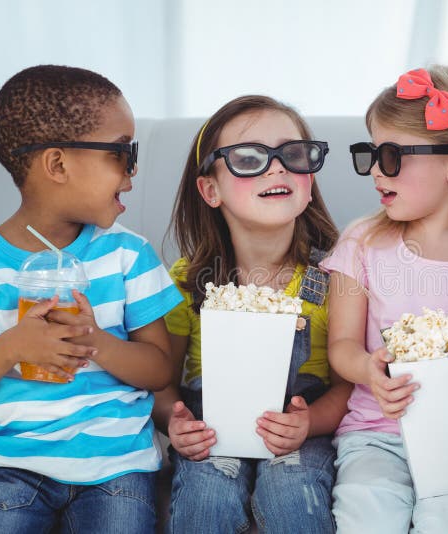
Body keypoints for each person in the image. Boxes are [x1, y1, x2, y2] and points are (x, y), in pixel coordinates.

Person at [0, 65, 182, 533]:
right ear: (57, 165)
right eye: (122, 154)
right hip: (8, 467)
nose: (131, 175)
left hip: (116, 466)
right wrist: (12, 346)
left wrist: (96, 339)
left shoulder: (127, 255)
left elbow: (159, 370)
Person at [321, 65, 448, 533]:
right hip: (375, 434)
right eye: (371, 153)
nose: (375, 170)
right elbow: (342, 346)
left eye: (391, 155)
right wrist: (368, 368)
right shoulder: (362, 243)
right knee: (366, 517)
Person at [154, 95, 352, 533]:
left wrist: (309, 423)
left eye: (294, 154)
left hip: (302, 429)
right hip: (212, 430)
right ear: (210, 189)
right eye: (248, 158)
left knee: (291, 489)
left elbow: (348, 388)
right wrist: (174, 421)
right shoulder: (189, 279)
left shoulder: (338, 276)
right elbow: (160, 381)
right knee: (207, 492)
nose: (277, 167)